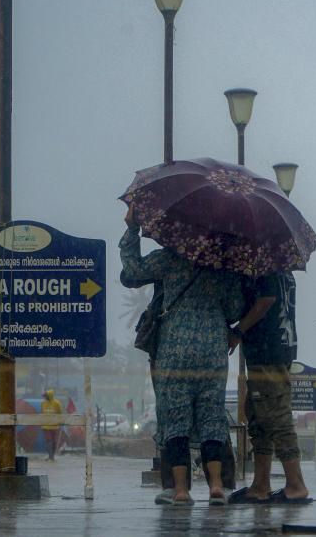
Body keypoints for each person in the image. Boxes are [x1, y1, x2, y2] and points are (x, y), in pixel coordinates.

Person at [121, 208, 244, 506]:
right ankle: (216, 486)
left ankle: (180, 490)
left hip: (174, 349)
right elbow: (235, 308)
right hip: (212, 349)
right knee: (212, 417)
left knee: (175, 419)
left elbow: (132, 273)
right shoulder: (221, 264)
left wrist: (132, 229)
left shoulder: (170, 257)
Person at [227, 272, 311, 504]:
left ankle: (296, 484)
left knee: (275, 415)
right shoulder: (283, 272)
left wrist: (238, 330)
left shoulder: (266, 268)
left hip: (268, 351)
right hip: (272, 350)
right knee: (258, 416)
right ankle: (260, 484)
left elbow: (266, 300)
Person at [41, 389, 63, 461]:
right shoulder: (43, 403)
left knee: (54, 441)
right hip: (46, 426)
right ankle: (50, 456)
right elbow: (42, 413)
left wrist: (60, 422)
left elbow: (60, 413)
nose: (45, 397)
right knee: (48, 441)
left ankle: (52, 456)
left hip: (55, 426)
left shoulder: (57, 403)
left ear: (49, 396)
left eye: (46, 396)